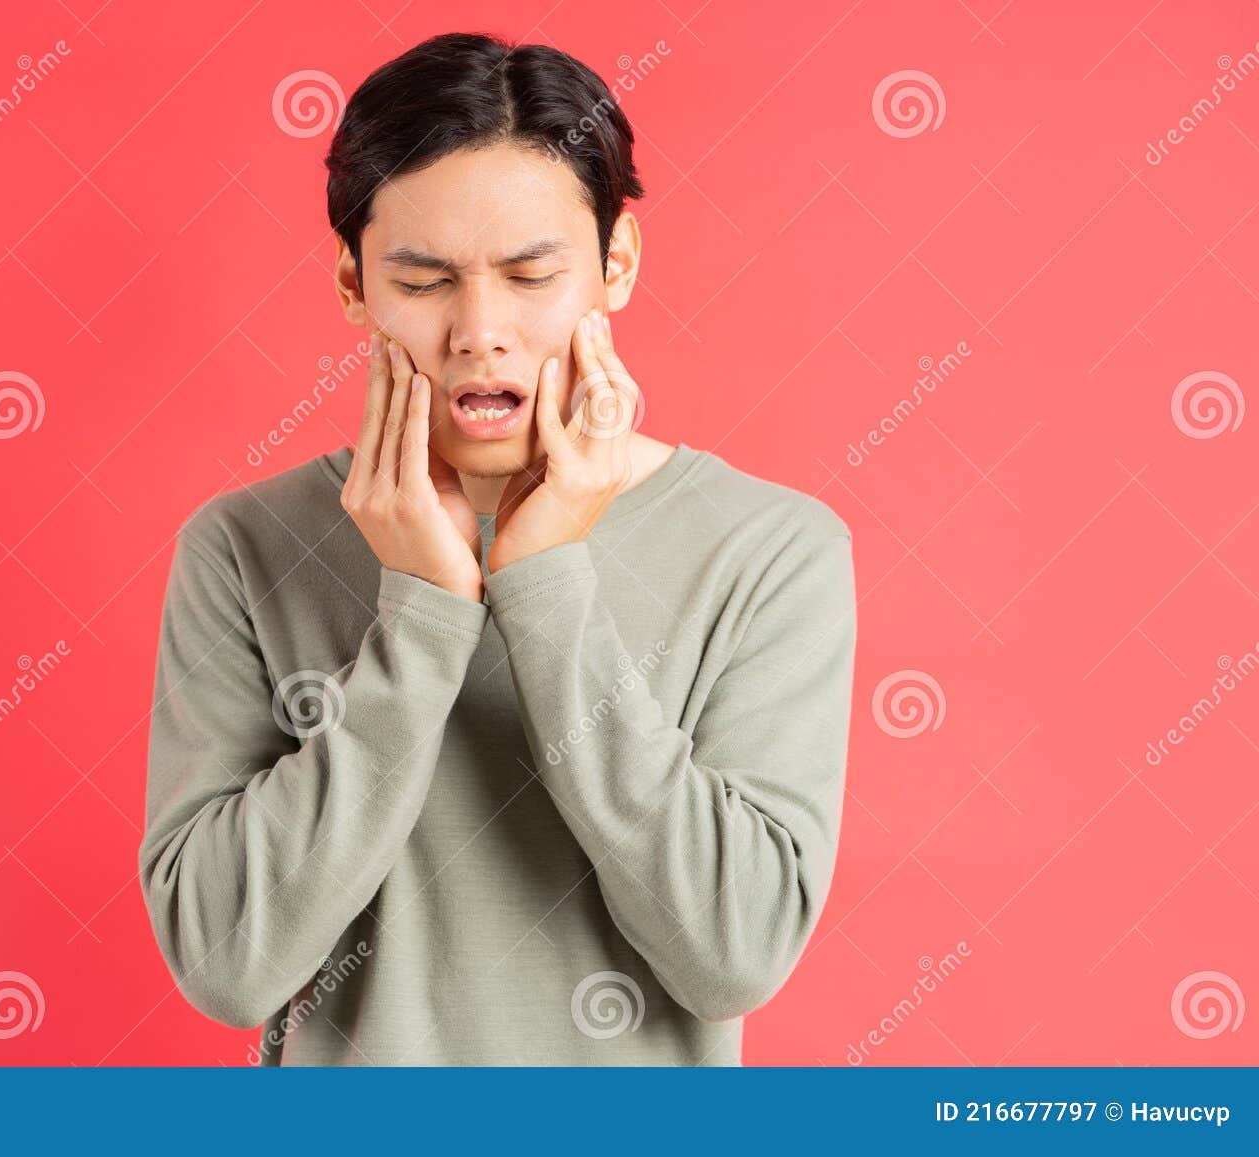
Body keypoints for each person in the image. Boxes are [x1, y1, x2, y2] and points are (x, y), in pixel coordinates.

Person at [138, 30, 857, 1065]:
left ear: (615, 264)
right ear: (353, 284)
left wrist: (546, 583)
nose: (480, 330)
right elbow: (225, 965)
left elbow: (732, 954)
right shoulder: (245, 545)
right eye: (425, 281)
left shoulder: (769, 549)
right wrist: (421, 613)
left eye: (530, 274)